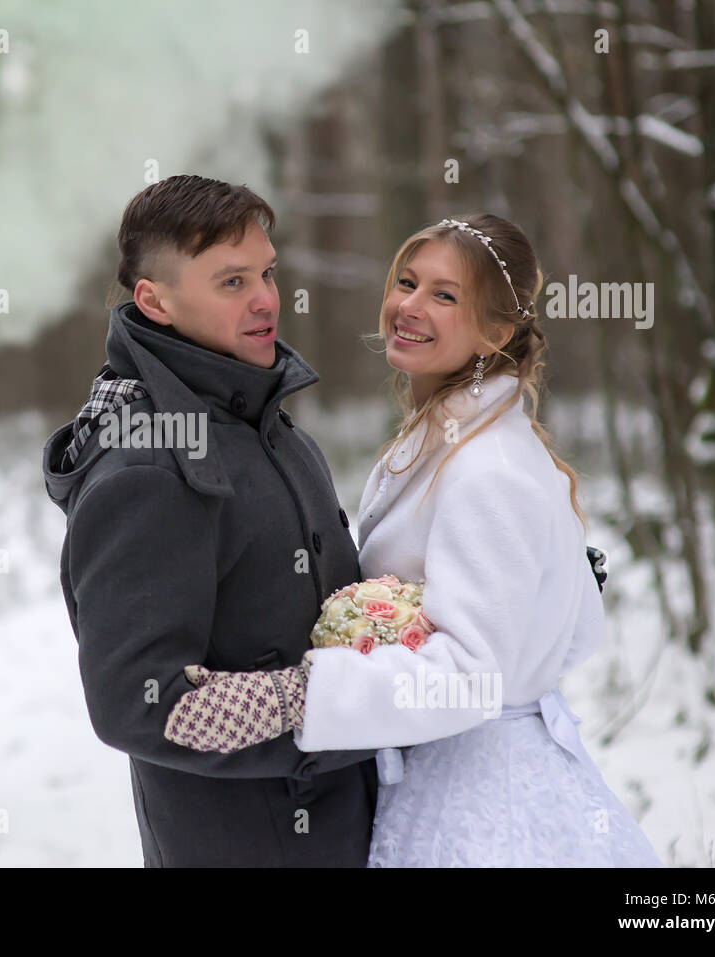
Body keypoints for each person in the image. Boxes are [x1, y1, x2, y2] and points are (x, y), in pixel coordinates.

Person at [164, 214, 662, 867]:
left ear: (498, 331)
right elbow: (567, 630)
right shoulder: (443, 444)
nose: (409, 305)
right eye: (407, 281)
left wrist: (294, 697)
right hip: (442, 768)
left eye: (445, 295)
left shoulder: (488, 468)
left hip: (483, 803)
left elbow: (472, 675)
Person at [42, 174, 379, 866]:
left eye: (267, 273)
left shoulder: (271, 429)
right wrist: (320, 700)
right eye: (231, 282)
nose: (265, 300)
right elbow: (141, 701)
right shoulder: (147, 467)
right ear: (155, 301)